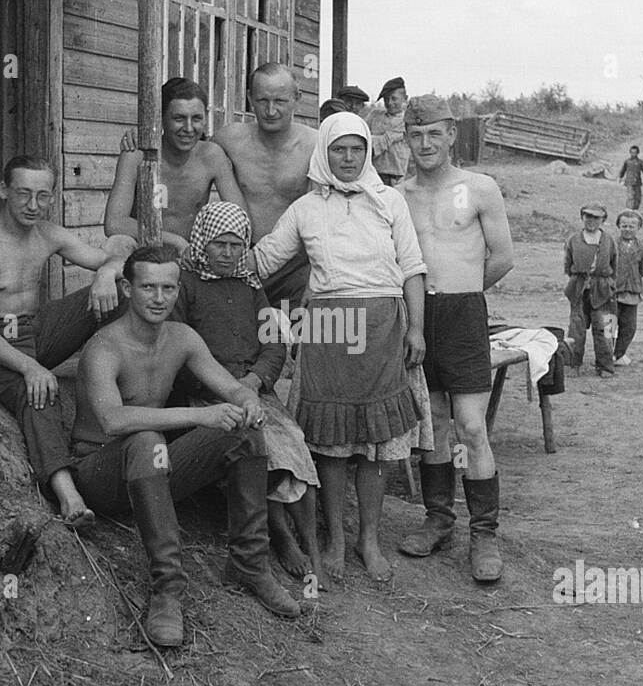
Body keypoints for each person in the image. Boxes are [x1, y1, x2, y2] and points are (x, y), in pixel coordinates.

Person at [71, 245, 300, 648]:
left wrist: (247, 399)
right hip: (101, 475)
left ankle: (249, 563)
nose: (159, 298)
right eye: (148, 288)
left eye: (168, 288)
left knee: (243, 429)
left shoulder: (181, 337)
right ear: (127, 288)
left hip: (152, 475)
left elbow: (227, 386)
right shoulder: (105, 347)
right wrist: (199, 416)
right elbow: (114, 420)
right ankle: (167, 591)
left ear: (179, 289)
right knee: (144, 438)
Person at [250, 113, 428, 584]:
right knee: (330, 442)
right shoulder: (307, 208)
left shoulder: (390, 201)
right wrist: (208, 258)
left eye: (356, 149)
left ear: (368, 151)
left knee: (375, 444)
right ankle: (335, 540)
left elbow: (411, 267)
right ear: (323, 153)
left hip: (383, 325)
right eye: (338, 150)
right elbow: (266, 258)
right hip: (328, 326)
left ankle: (369, 540)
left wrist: (417, 331)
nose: (348, 159)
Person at [0, 155, 133, 527]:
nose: (33, 205)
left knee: (123, 292)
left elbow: (118, 256)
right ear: (4, 190)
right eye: (23, 194)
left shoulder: (48, 234)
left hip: (34, 330)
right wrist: (32, 367)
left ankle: (119, 401)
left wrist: (105, 275)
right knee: (40, 392)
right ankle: (68, 494)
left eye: (43, 196)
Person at [172, 202, 326, 588]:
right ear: (202, 243)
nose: (227, 253)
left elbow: (273, 341)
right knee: (261, 448)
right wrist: (225, 388)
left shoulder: (250, 285)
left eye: (235, 245)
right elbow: (177, 348)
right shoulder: (185, 287)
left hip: (255, 389)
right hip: (210, 394)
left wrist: (256, 381)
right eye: (218, 244)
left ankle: (313, 549)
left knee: (294, 445)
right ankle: (284, 540)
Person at [397, 96, 514, 583]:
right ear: (406, 138)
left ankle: (483, 533)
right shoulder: (398, 194)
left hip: (464, 312)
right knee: (434, 422)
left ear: (451, 136)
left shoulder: (479, 188)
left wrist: (463, 294)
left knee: (470, 424)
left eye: (434, 134)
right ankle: (439, 518)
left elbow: (503, 257)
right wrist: (421, 312)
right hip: (419, 317)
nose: (425, 143)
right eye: (415, 134)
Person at [214, 63, 318, 306]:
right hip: (242, 260)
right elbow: (184, 151)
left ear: (297, 98)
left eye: (280, 101)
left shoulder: (314, 145)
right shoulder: (230, 139)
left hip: (295, 266)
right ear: (250, 98)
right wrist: (145, 139)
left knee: (294, 337)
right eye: (262, 100)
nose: (271, 111)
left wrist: (318, 276)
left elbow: (326, 215)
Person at [106, 78, 245, 250]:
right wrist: (175, 241)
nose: (188, 128)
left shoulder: (212, 155)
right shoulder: (138, 153)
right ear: (161, 118)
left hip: (190, 254)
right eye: (179, 118)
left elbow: (240, 217)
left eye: (196, 119)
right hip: (143, 253)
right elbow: (114, 223)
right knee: (116, 246)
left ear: (205, 119)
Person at [563, 204, 617, 378]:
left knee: (604, 328)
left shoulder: (608, 240)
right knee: (576, 328)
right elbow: (568, 264)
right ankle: (573, 364)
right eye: (587, 217)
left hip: (602, 289)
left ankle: (605, 366)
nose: (591, 221)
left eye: (596, 218)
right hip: (579, 288)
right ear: (582, 217)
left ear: (603, 220)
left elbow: (614, 265)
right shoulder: (573, 239)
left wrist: (607, 283)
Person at [613, 210, 643, 366]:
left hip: (631, 294)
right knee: (609, 326)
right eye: (624, 226)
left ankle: (619, 354)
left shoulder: (642, 249)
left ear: (638, 228)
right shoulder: (611, 245)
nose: (627, 229)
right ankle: (606, 355)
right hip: (611, 293)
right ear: (619, 226)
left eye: (631, 226)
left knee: (629, 327)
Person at [370, 75, 410, 186]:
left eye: (394, 98)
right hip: (373, 173)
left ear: (405, 99)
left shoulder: (407, 120)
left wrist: (369, 140)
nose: (389, 103)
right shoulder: (374, 115)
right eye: (386, 99)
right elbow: (361, 134)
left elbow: (385, 140)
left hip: (395, 175)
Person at [618, 145, 643, 210]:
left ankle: (635, 210)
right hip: (629, 182)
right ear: (630, 152)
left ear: (638, 153)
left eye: (635, 152)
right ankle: (629, 210)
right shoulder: (627, 161)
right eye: (632, 152)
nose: (633, 154)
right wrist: (620, 177)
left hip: (637, 182)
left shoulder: (640, 162)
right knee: (630, 196)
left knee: (638, 197)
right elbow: (623, 170)